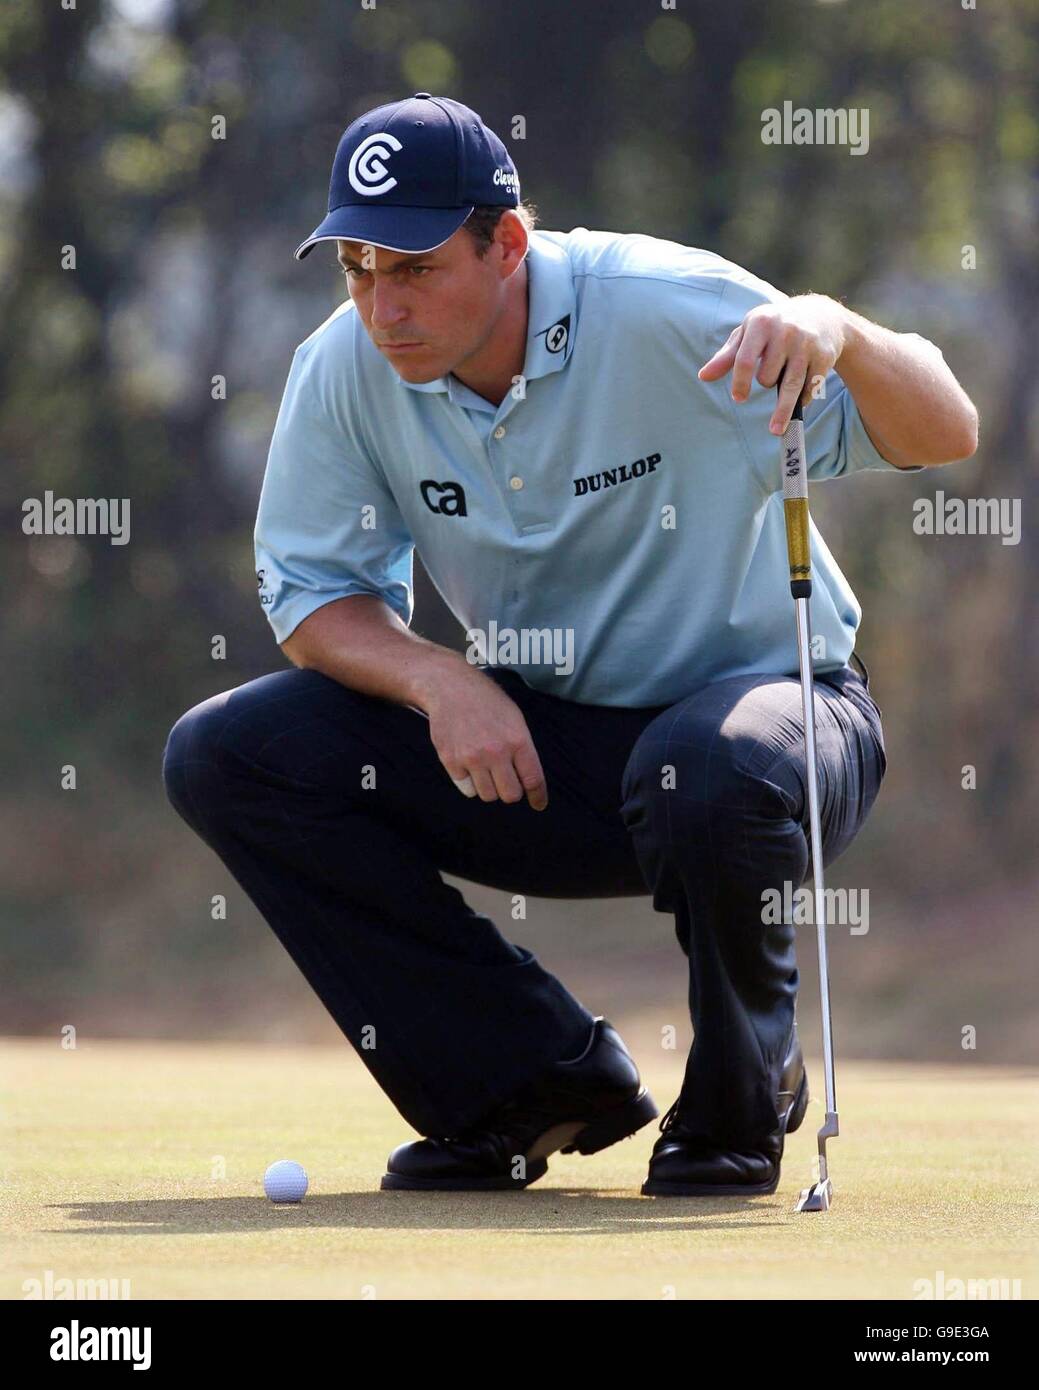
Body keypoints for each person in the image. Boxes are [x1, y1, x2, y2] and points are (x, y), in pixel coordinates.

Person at [162, 94, 978, 1197]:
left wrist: (836, 324)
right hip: (558, 749)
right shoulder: (345, 367)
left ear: (506, 243)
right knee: (228, 752)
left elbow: (945, 430)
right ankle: (531, 1086)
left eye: (411, 267)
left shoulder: (669, 309)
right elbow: (313, 595)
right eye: (356, 267)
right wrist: (438, 677)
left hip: (779, 731)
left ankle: (739, 1102)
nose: (380, 305)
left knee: (706, 766)